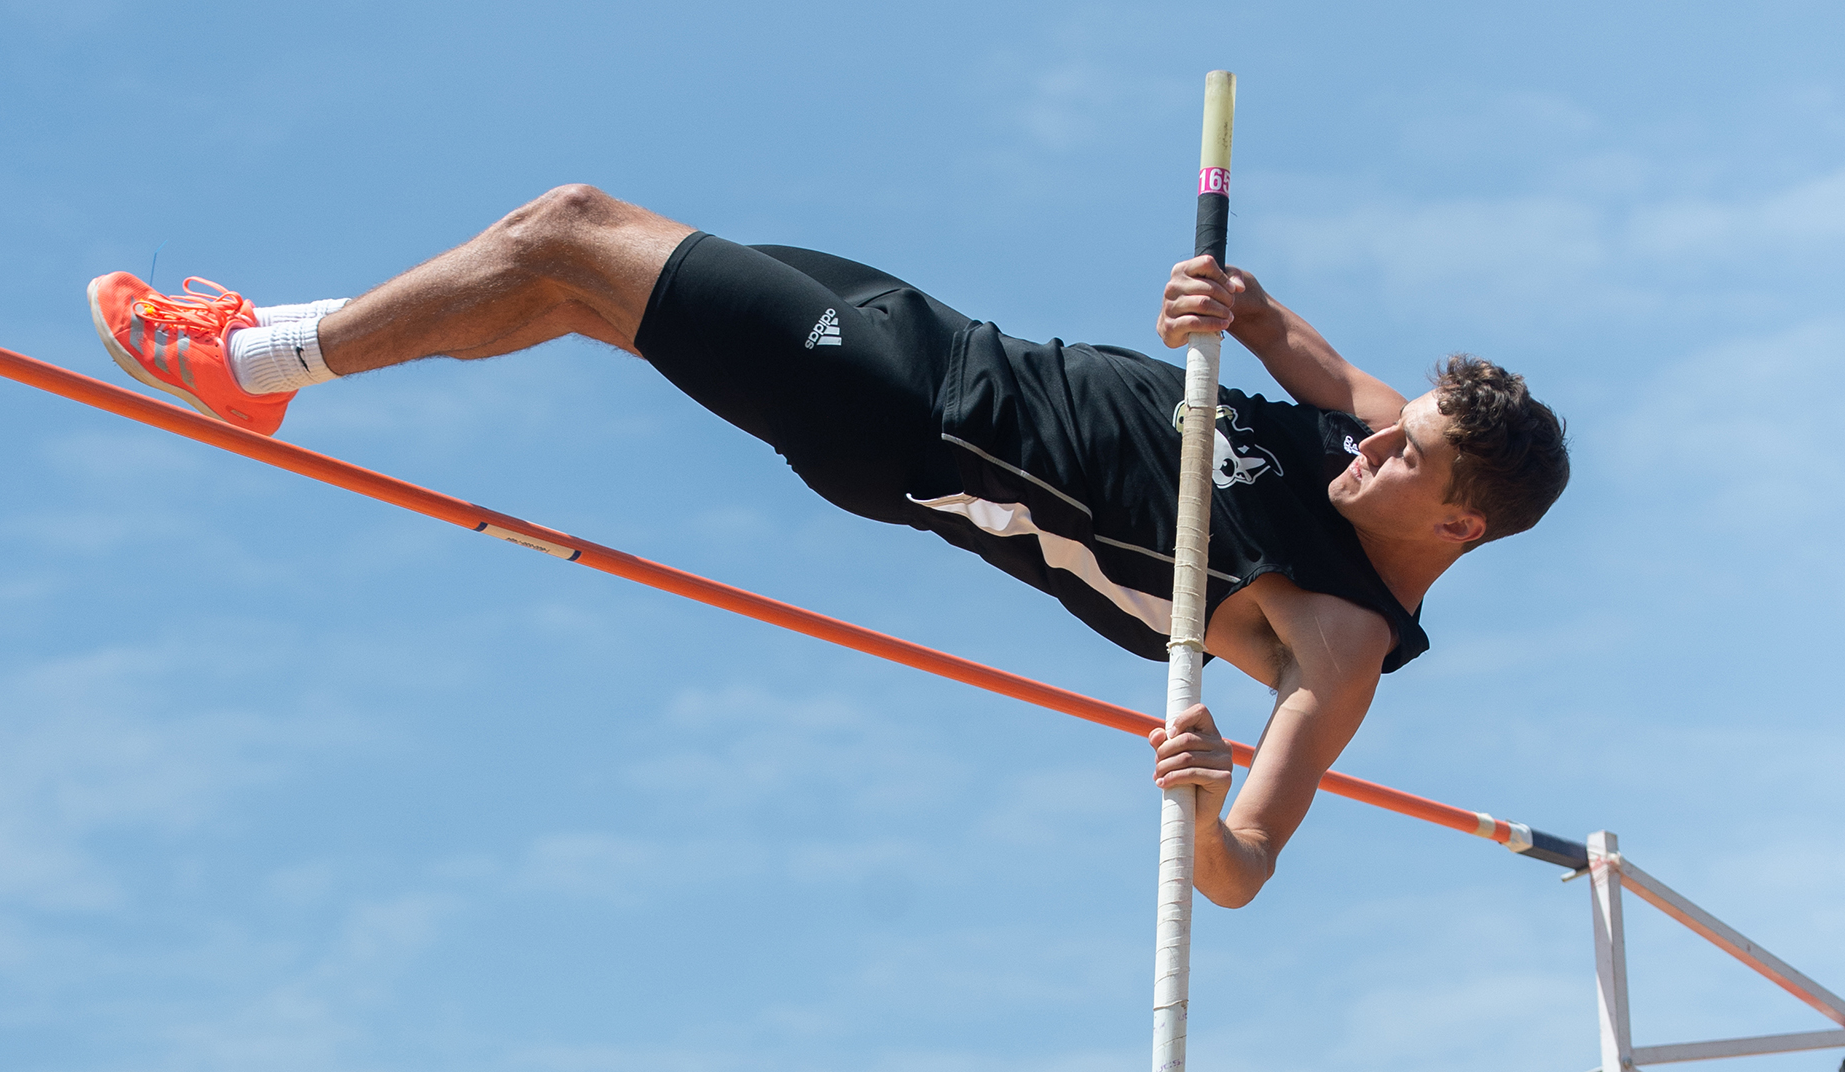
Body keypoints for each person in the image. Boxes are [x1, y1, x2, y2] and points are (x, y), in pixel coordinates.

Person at [87, 184, 1568, 907]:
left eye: (1405, 456)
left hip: (914, 417)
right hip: (947, 335)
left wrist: (1201, 796)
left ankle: (255, 362)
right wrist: (1234, 307)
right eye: (1395, 423)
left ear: (1457, 525)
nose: (1373, 438)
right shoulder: (1377, 432)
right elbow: (1308, 354)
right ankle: (281, 373)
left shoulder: (1338, 642)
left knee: (567, 231)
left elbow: (1241, 870)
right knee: (569, 289)